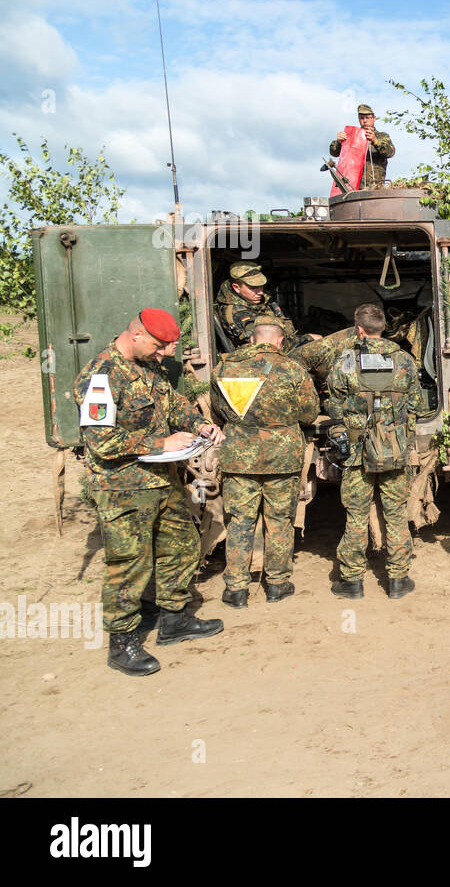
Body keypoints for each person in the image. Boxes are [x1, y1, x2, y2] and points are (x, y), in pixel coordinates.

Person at [74, 309, 226, 676]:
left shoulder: (148, 367)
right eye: (160, 346)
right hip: (123, 486)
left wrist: (200, 424)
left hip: (161, 480)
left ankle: (174, 619)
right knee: (129, 564)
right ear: (137, 335)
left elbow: (172, 403)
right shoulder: (101, 375)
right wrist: (163, 442)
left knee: (182, 543)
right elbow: (101, 441)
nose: (165, 354)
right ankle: (122, 642)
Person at [212, 316, 321, 607]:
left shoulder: (225, 367)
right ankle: (277, 584)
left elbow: (218, 409)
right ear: (280, 341)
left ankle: (236, 590)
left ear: (251, 339)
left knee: (239, 522)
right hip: (281, 460)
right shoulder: (294, 370)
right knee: (280, 522)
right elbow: (309, 414)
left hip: (238, 459)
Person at [325, 303, 422, 599]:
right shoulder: (405, 360)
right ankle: (397, 580)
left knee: (355, 515)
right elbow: (417, 405)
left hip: (356, 452)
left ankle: (352, 582)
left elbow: (332, 404)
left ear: (358, 329)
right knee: (395, 514)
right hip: (394, 450)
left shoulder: (346, 361)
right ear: (383, 329)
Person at [215, 262, 320, 351]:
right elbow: (269, 344)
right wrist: (307, 339)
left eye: (261, 286)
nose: (260, 292)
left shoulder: (259, 301)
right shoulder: (238, 313)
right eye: (254, 287)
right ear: (236, 288)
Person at [329, 103, 395, 190]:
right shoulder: (352, 136)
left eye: (367, 118)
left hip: (375, 186)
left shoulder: (382, 136)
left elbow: (390, 152)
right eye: (362, 118)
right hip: (353, 185)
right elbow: (334, 152)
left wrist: (375, 141)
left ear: (374, 119)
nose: (365, 121)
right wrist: (339, 142)